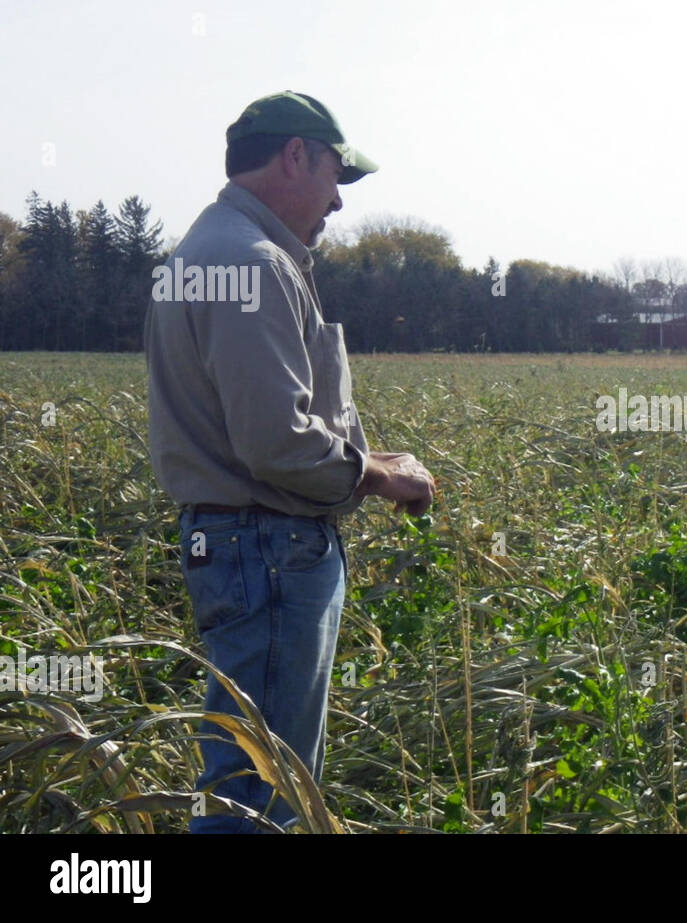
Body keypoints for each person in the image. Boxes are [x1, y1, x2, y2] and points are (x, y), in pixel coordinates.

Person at [144, 90, 438, 833]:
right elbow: (275, 441)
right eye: (339, 174)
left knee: (256, 774)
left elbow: (265, 420)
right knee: (258, 793)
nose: (339, 200)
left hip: (244, 547)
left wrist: (362, 455)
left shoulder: (211, 250)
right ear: (296, 156)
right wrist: (377, 474)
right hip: (269, 548)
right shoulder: (252, 261)